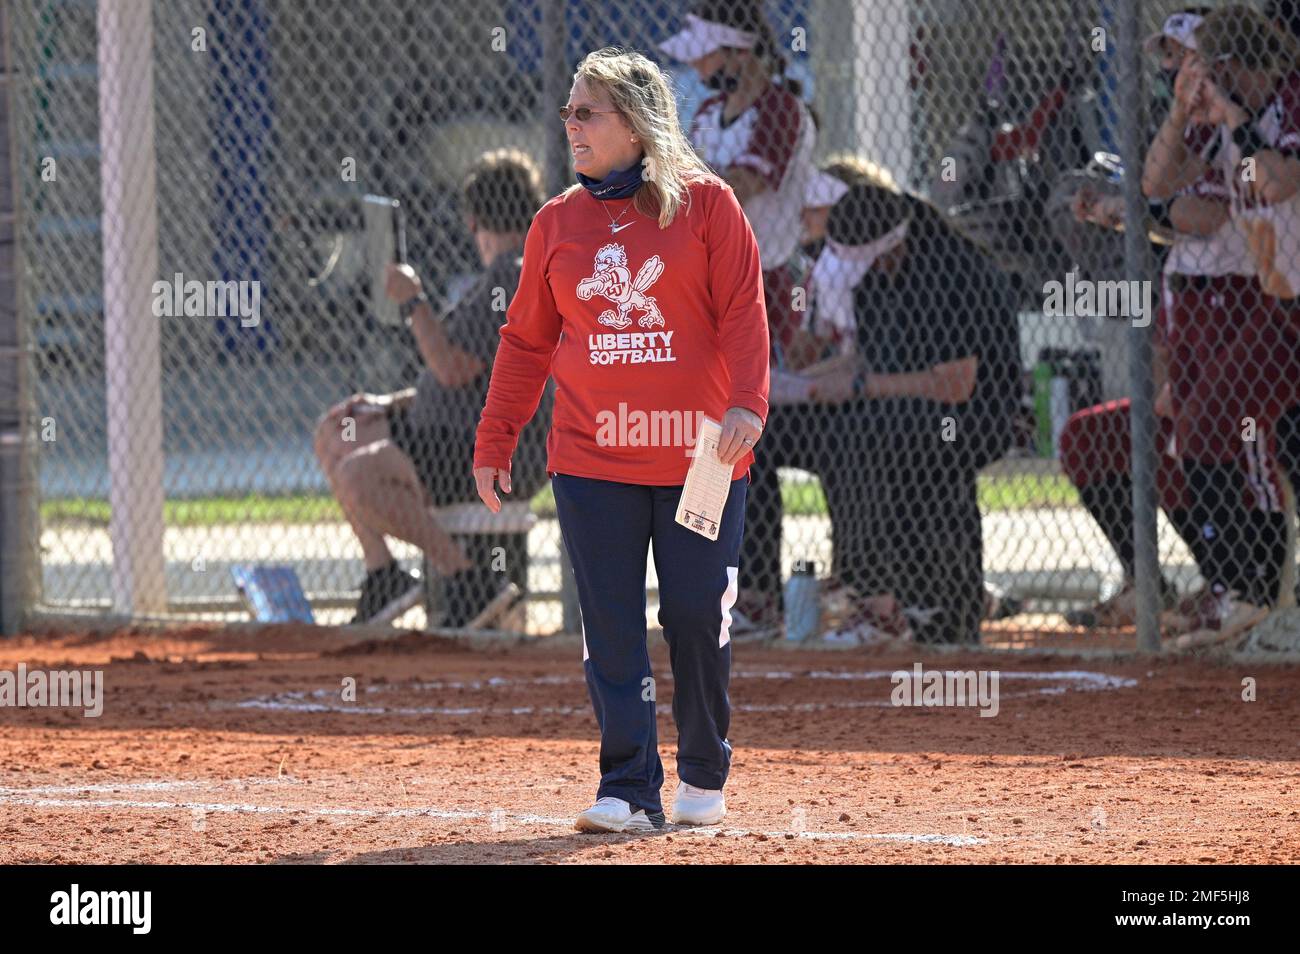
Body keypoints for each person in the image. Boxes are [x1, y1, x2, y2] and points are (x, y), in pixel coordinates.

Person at [472, 48, 769, 833]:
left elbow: (743, 310)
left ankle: (704, 772)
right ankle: (629, 787)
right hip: (591, 457)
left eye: (586, 112)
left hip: (702, 454)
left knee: (696, 614)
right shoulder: (555, 223)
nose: (569, 124)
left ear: (635, 125)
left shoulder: (707, 206)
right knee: (608, 620)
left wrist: (748, 404)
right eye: (568, 110)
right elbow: (527, 342)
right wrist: (497, 436)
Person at [314, 149, 549, 625]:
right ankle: (384, 575)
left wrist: (412, 300)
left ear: (474, 220)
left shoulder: (515, 275)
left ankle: (465, 580)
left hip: (484, 451)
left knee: (359, 475)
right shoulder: (502, 275)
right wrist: (388, 403)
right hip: (452, 431)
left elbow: (451, 368)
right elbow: (465, 376)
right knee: (336, 430)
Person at [1140, 5, 1300, 637]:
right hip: (1281, 300)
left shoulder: (1287, 100)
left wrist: (1232, 116)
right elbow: (1157, 182)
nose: (1190, 76)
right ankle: (1249, 591)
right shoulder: (1222, 122)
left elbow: (1277, 180)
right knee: (1260, 435)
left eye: (1206, 68)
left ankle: (1253, 589)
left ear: (1234, 67)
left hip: (1278, 300)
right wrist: (1183, 113)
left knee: (1214, 420)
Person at [805, 182, 1022, 645]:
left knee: (877, 435)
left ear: (886, 245)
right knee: (817, 427)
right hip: (903, 409)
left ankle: (903, 603)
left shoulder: (950, 270)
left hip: (972, 416)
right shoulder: (879, 276)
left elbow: (955, 384)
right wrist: (793, 384)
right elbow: (865, 358)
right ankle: (881, 596)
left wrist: (861, 387)